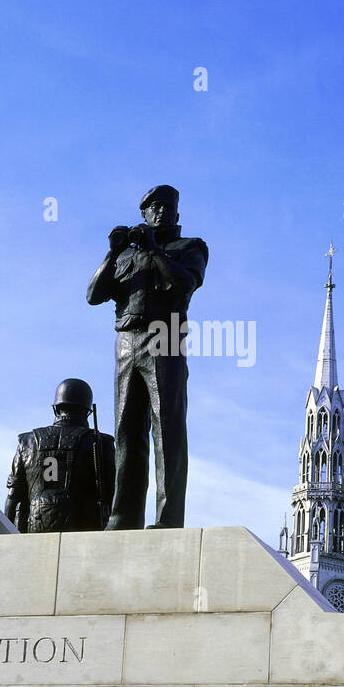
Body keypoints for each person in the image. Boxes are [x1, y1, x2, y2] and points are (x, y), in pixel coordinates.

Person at [86, 185, 207, 528]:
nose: (161, 212)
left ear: (177, 213)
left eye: (167, 206)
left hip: (165, 335)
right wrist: (112, 253)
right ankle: (123, 516)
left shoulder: (190, 248)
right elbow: (93, 295)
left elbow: (185, 284)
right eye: (154, 207)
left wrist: (155, 251)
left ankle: (168, 518)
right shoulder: (125, 257)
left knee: (166, 429)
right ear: (144, 214)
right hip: (126, 340)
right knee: (126, 429)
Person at [5, 378, 114, 532]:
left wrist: (4, 535)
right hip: (83, 536)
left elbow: (13, 496)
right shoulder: (102, 442)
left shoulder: (26, 441)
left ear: (56, 408)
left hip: (32, 534)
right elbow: (113, 494)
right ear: (88, 412)